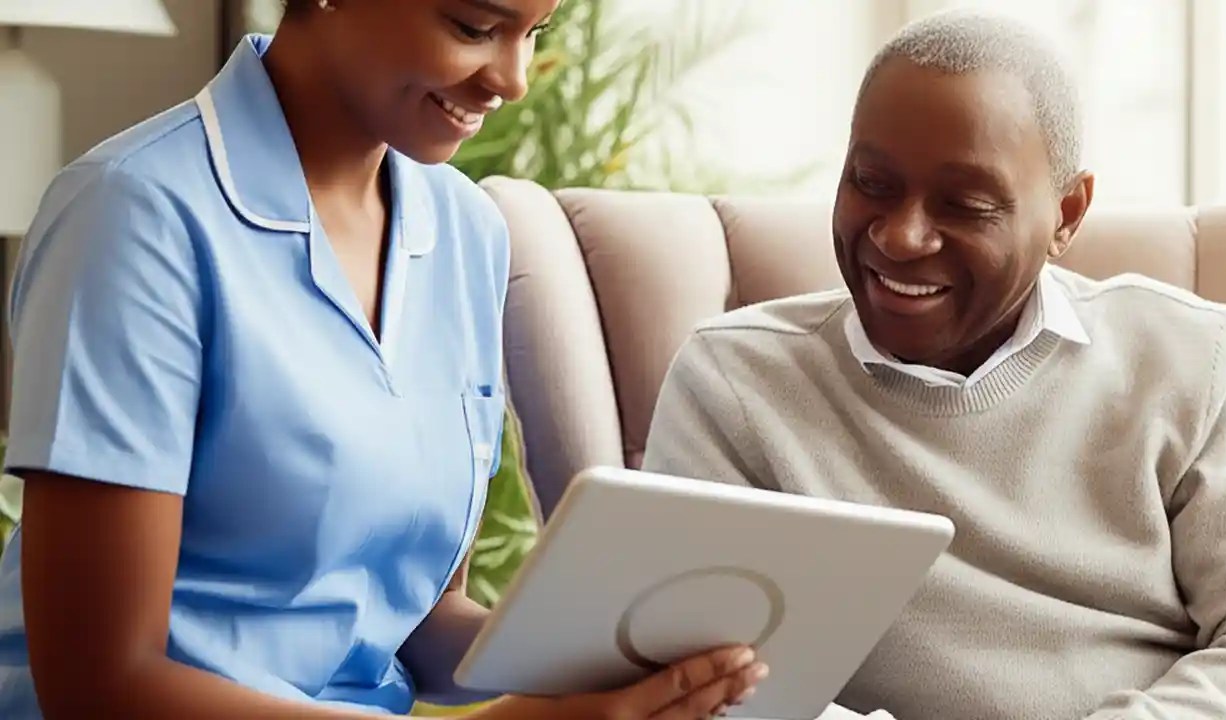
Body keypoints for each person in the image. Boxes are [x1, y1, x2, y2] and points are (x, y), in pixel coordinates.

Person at [0, 0, 768, 718]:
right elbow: (99, 684)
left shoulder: (465, 229)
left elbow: (414, 621)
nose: (513, 78)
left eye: (533, 32)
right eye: (474, 26)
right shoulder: (135, 217)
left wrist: (629, 669)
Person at [643, 10, 1226, 720]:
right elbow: (707, 679)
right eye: (872, 183)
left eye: (965, 205)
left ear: (1066, 213)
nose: (901, 236)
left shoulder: (1192, 359)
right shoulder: (735, 383)